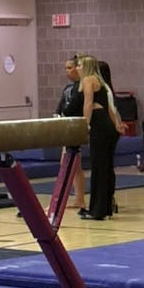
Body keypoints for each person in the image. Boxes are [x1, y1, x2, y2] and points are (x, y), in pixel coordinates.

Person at [78, 54, 125, 221]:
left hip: (99, 125)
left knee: (98, 168)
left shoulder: (88, 80)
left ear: (86, 67)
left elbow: (88, 104)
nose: (77, 69)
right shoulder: (103, 83)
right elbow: (110, 109)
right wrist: (116, 125)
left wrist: (85, 125)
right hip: (107, 126)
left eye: (79, 66)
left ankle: (97, 211)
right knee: (105, 168)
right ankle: (104, 209)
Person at [55, 54, 88, 211]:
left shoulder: (83, 86)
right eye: (65, 68)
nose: (66, 71)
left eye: (69, 68)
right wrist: (57, 117)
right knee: (75, 166)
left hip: (75, 128)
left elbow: (76, 107)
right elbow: (61, 107)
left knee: (68, 165)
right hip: (66, 127)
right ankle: (79, 199)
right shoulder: (68, 88)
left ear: (78, 68)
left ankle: (61, 201)